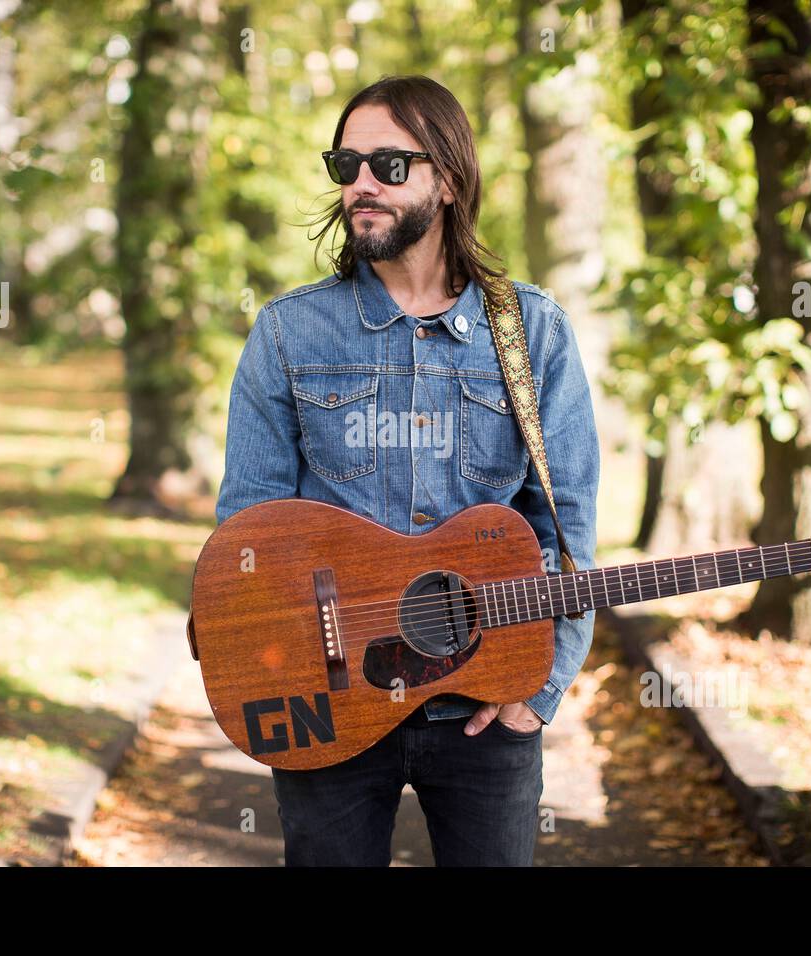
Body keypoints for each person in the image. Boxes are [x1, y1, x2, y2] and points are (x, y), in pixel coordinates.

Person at [214, 74, 600, 866]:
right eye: (346, 164)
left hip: (486, 705)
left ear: (447, 180)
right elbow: (246, 538)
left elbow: (567, 527)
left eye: (388, 165)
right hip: (332, 710)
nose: (361, 183)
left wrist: (542, 686)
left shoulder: (532, 334)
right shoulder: (289, 335)